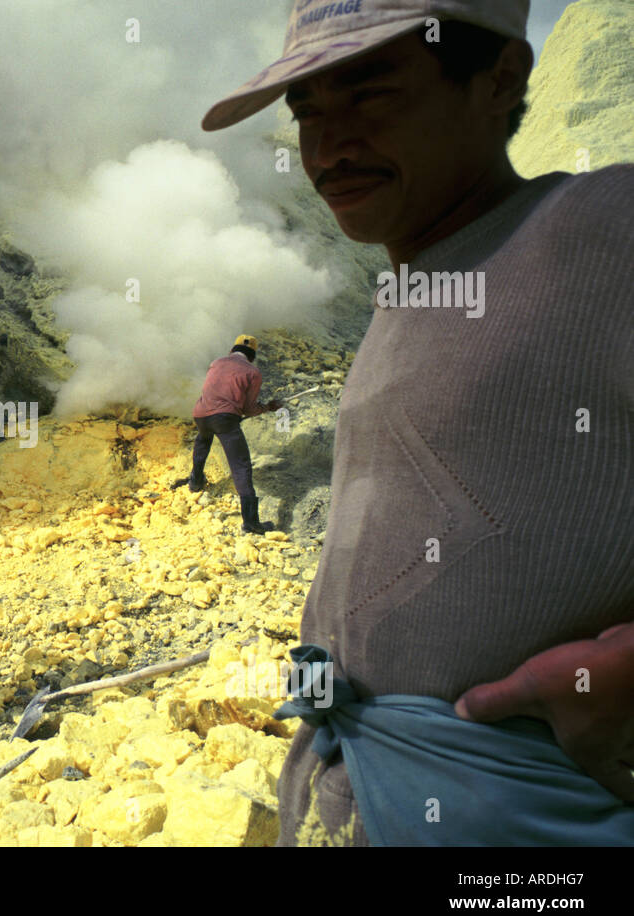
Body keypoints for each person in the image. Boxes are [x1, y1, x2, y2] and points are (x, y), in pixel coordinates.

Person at [202, 0, 634, 844]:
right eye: (308, 112)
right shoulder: (417, 278)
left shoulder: (599, 225)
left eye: (370, 94)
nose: (328, 148)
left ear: (499, 78)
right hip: (361, 795)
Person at [178, 334, 282, 534]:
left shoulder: (216, 363)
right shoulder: (253, 372)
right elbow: (249, 408)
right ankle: (251, 522)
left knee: (203, 440)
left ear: (232, 350)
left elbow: (215, 393)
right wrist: (269, 407)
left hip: (200, 414)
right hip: (224, 419)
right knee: (241, 465)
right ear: (252, 356)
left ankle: (195, 482)